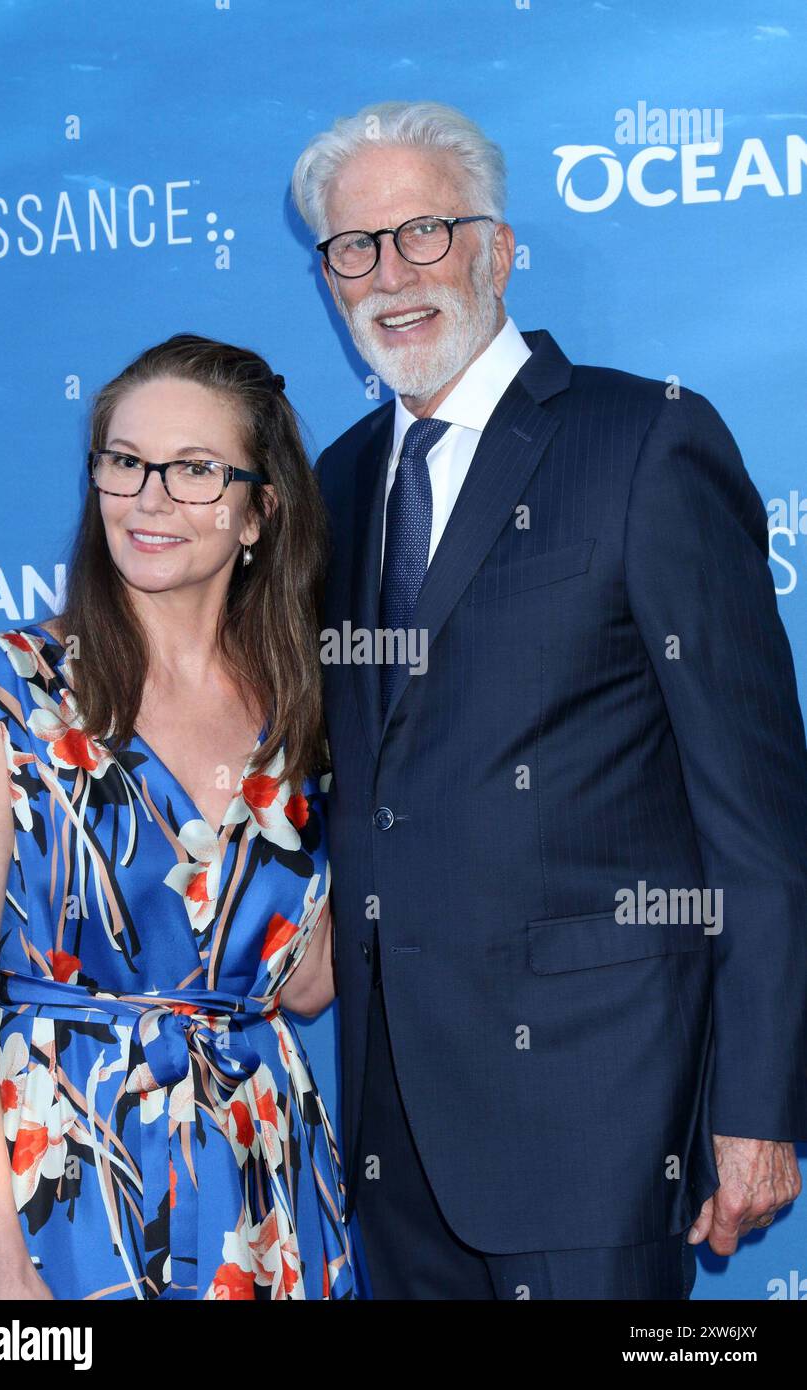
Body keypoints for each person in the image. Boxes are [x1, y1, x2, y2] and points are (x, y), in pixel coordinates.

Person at [290, 100, 807, 1300]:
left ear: (499, 247)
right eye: (353, 249)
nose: (388, 275)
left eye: (423, 232)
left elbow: (754, 809)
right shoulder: (342, 479)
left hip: (599, 1111)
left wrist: (758, 1104)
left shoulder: (641, 444)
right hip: (393, 1122)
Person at [0, 334, 357, 1300]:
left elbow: (307, 987)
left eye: (196, 470)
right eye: (125, 462)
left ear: (260, 512)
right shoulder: (7, 689)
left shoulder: (304, 712)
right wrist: (0, 1261)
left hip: (264, 1180)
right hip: (58, 1183)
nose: (151, 496)